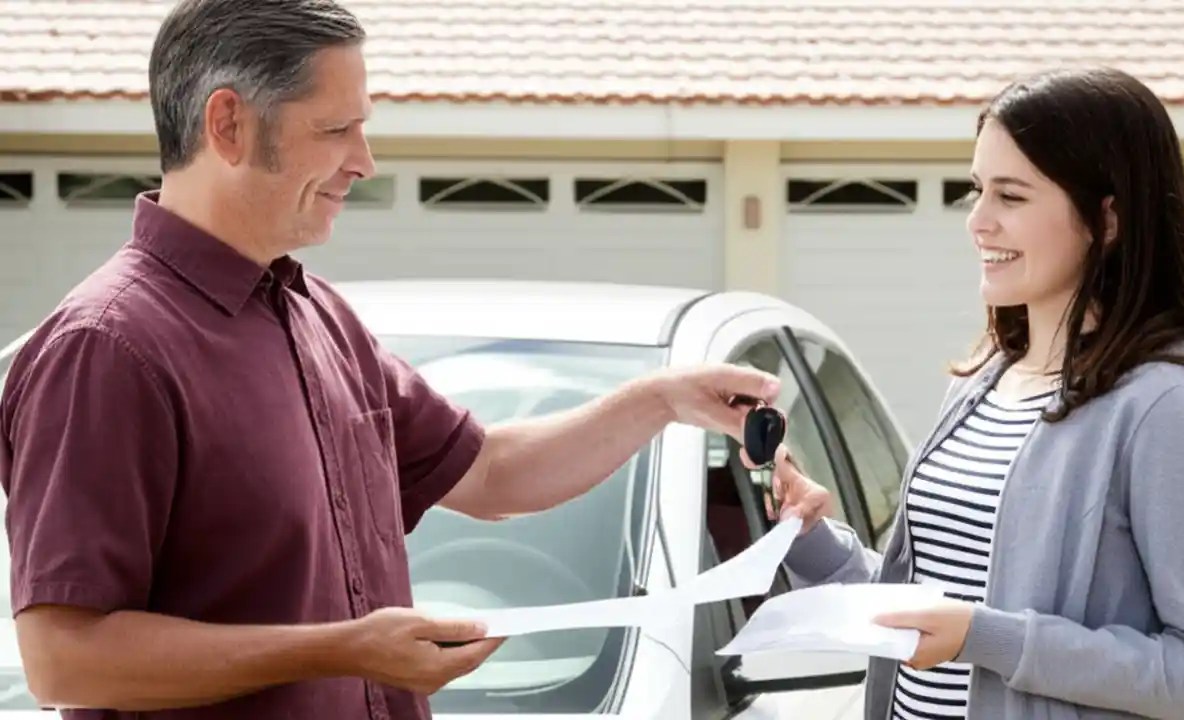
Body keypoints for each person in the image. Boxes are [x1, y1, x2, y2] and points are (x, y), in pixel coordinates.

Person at [0, 1, 780, 718]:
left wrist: (660, 400)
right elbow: (65, 659)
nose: (364, 161)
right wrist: (338, 647)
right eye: (336, 129)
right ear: (229, 125)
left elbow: (492, 474)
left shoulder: (318, 317)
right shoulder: (106, 350)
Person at [765, 66, 1184, 720]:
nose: (978, 222)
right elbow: (938, 611)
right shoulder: (984, 379)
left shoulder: (1167, 405)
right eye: (977, 190)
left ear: (1107, 219)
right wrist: (812, 541)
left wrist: (988, 636)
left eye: (1012, 196)